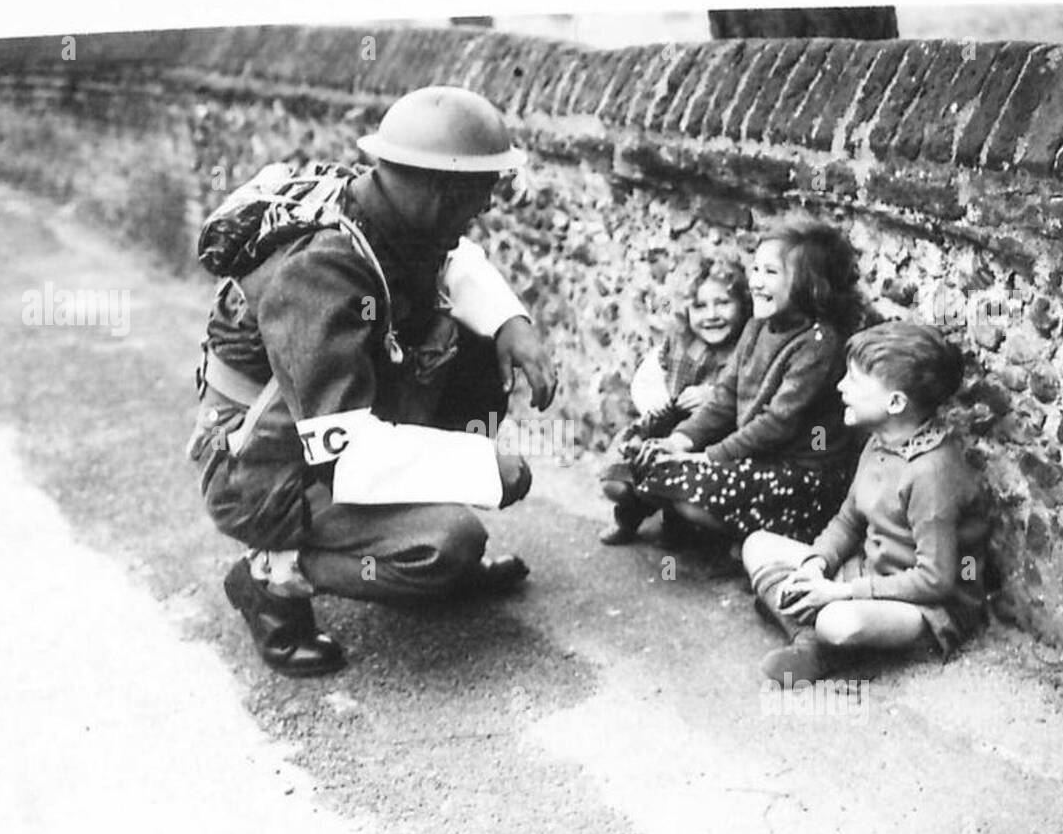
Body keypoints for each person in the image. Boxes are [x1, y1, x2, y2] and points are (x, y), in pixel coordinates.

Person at [186, 86, 557, 678]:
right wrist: (484, 465)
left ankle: (396, 527)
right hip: (260, 473)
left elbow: (450, 256)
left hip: (318, 428)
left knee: (478, 353)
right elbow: (346, 449)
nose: (486, 205)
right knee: (448, 544)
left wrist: (512, 322)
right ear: (439, 191)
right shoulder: (321, 271)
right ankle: (272, 575)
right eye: (481, 192)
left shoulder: (384, 207)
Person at [741, 321, 989, 687]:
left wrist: (839, 592)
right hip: (868, 575)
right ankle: (810, 631)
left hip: (925, 606)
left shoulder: (932, 473)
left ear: (895, 403)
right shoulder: (878, 443)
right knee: (757, 544)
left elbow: (935, 580)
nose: (841, 386)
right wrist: (816, 564)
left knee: (837, 622)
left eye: (854, 380)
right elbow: (847, 521)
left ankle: (815, 638)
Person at [631, 221, 863, 553]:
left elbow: (777, 423)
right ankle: (741, 532)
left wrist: (708, 458)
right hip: (756, 459)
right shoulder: (756, 327)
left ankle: (776, 535)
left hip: (801, 474)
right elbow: (724, 398)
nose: (755, 282)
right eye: (755, 269)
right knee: (649, 458)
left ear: (811, 285)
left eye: (770, 272)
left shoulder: (818, 343)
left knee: (682, 485)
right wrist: (679, 440)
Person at [598, 267, 750, 545]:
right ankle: (629, 516)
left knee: (679, 485)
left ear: (743, 303)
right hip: (666, 427)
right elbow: (649, 379)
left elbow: (751, 397)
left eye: (723, 303)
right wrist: (658, 405)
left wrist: (714, 395)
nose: (712, 315)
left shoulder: (746, 348)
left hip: (710, 440)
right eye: (700, 306)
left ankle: (677, 521)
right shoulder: (679, 340)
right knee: (617, 480)